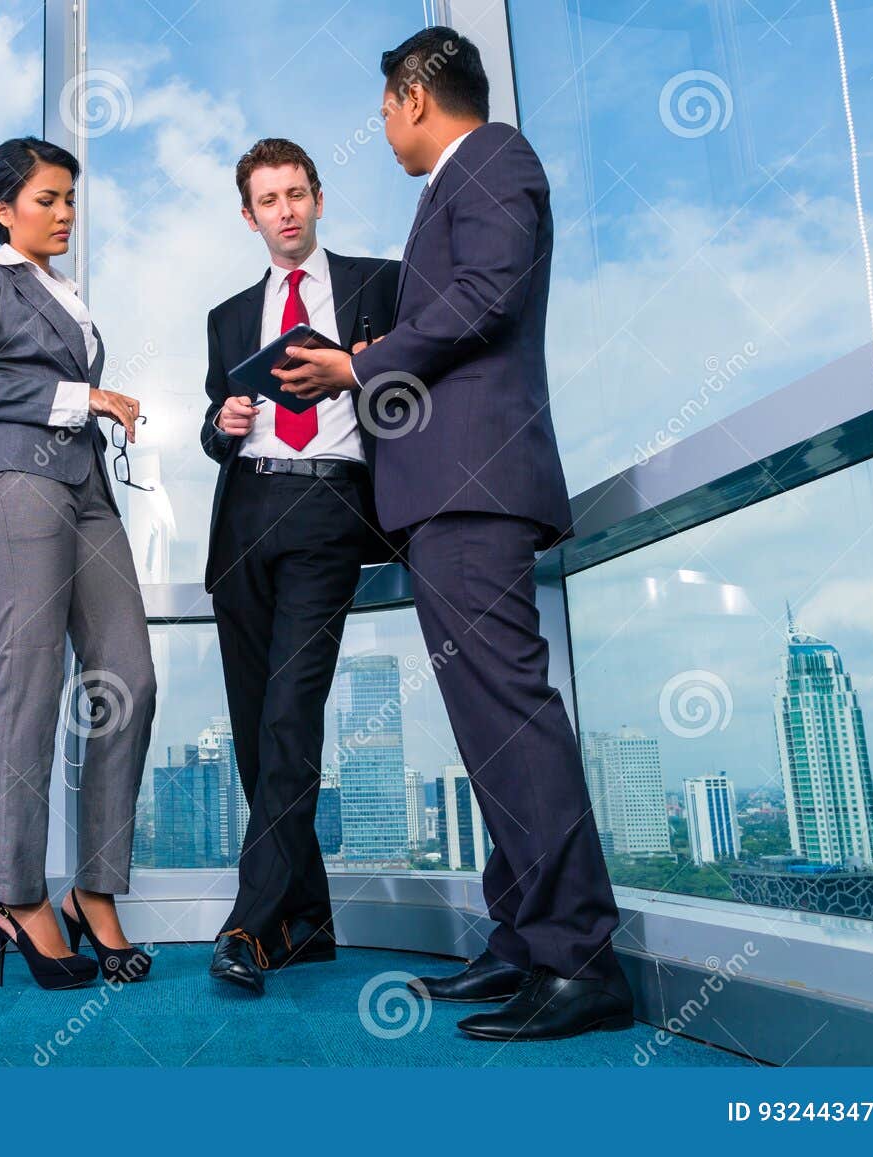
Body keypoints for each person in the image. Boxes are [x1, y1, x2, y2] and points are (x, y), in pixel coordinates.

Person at [273, 28, 633, 1041]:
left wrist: (360, 366)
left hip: (474, 486)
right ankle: (522, 939)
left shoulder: (494, 158)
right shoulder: (452, 187)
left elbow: (486, 296)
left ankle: (579, 958)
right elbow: (464, 309)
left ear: (416, 97)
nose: (385, 128)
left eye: (386, 109)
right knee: (487, 728)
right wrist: (379, 354)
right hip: (444, 492)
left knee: (510, 720)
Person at [0, 136, 156, 991]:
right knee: (30, 679)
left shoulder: (64, 291)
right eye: (47, 199)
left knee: (128, 676)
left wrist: (90, 406)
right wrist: (82, 396)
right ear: (4, 209)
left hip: (86, 487)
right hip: (12, 481)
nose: (65, 214)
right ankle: (17, 893)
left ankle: (92, 889)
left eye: (70, 199)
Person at [199, 138, 402, 996]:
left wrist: (356, 374)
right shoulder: (227, 316)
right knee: (257, 731)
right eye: (267, 200)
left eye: (295, 193)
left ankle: (248, 925)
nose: (284, 210)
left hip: (329, 506)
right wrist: (222, 422)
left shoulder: (378, 283)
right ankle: (307, 920)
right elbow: (213, 425)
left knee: (291, 715)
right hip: (246, 514)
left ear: (318, 197)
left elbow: (411, 386)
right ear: (249, 217)